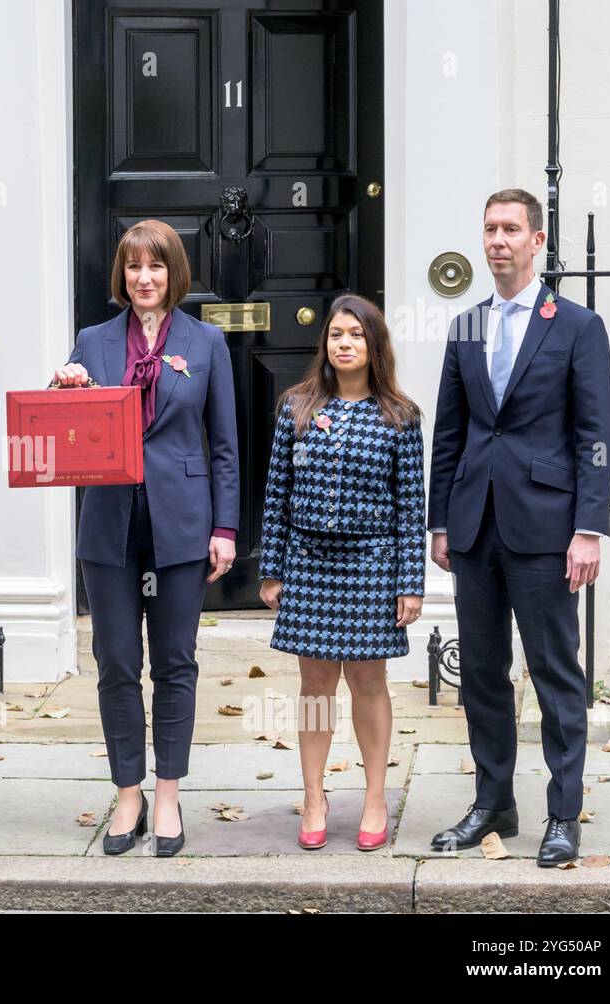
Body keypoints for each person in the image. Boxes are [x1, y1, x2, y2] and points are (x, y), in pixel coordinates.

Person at [427, 189, 610, 867]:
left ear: (537, 241)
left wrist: (589, 527)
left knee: (555, 673)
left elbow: (596, 434)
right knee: (481, 672)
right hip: (475, 529)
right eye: (489, 229)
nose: (498, 240)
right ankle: (493, 803)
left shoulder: (576, 325)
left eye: (511, 229)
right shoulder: (468, 325)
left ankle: (564, 814)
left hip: (546, 529)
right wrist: (440, 522)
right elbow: (450, 433)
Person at [51, 219, 239, 857]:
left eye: (156, 267)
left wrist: (225, 527)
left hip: (181, 524)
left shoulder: (208, 342)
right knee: (117, 664)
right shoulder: (93, 341)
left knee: (176, 663)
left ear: (174, 273)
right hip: (109, 526)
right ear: (121, 275)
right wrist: (65, 389)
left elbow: (224, 448)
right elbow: (65, 437)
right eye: (133, 267)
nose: (144, 279)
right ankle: (126, 789)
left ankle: (167, 793)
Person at [258, 293, 424, 852]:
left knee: (368, 682)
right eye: (336, 334)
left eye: (355, 333)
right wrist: (273, 567)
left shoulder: (399, 416)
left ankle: (375, 796)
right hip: (309, 564)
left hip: (372, 566)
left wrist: (410, 582)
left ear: (374, 344)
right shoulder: (297, 408)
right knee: (315, 687)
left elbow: (411, 507)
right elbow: (277, 492)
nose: (345, 342)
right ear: (325, 344)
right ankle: (314, 795)